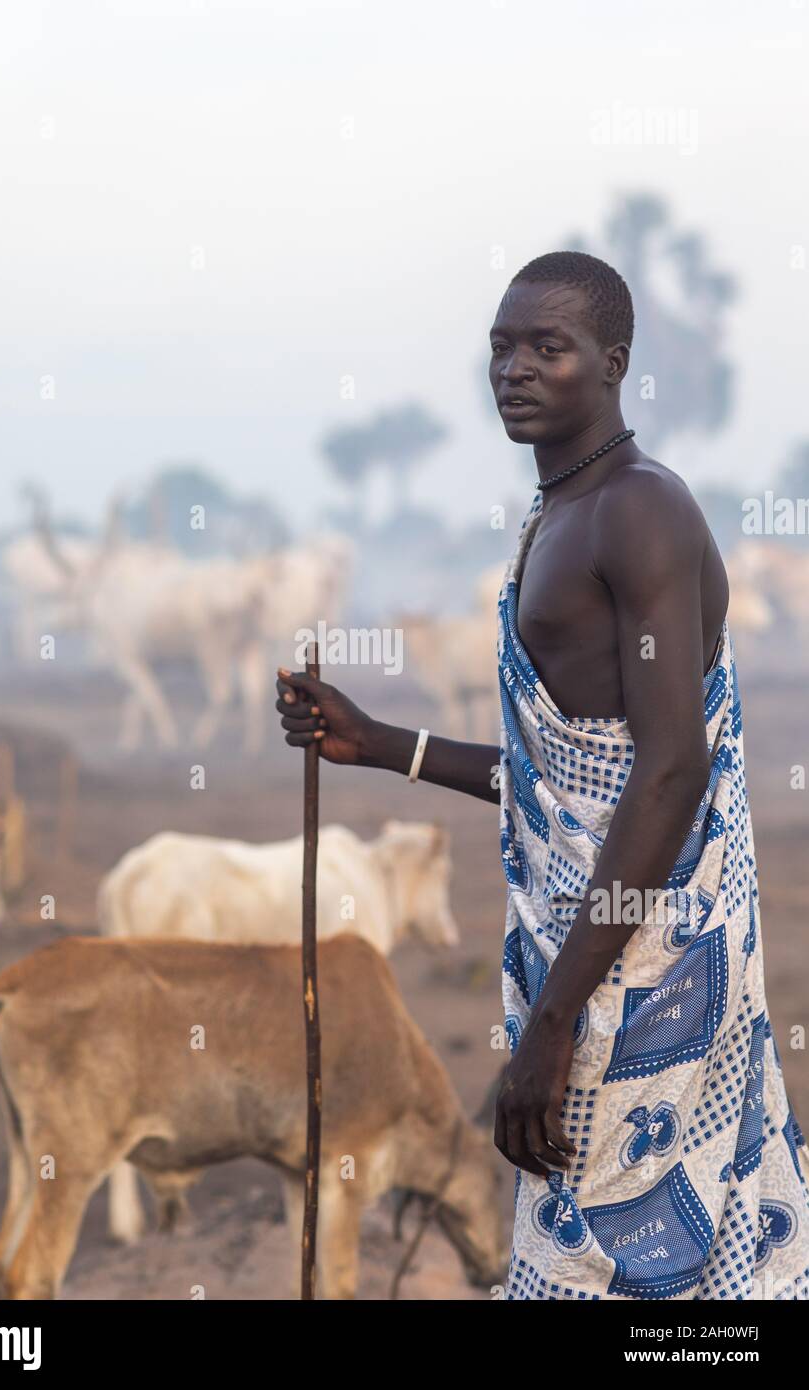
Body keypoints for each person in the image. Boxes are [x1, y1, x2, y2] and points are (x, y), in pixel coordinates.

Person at [274, 250, 809, 1300]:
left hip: (648, 973)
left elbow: (668, 774)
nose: (513, 369)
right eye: (500, 347)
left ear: (610, 366)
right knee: (643, 1255)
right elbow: (572, 781)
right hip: (593, 954)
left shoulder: (638, 511)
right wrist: (381, 742)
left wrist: (556, 1022)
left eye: (546, 349)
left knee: (612, 1245)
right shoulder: (558, 514)